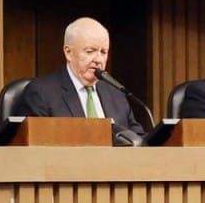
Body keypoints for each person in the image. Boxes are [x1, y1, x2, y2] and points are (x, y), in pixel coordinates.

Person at [19, 17, 147, 140]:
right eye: (90, 51)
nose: (98, 60)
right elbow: (38, 145)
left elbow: (138, 140)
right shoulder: (42, 93)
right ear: (68, 52)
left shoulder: (116, 93)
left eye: (103, 52)